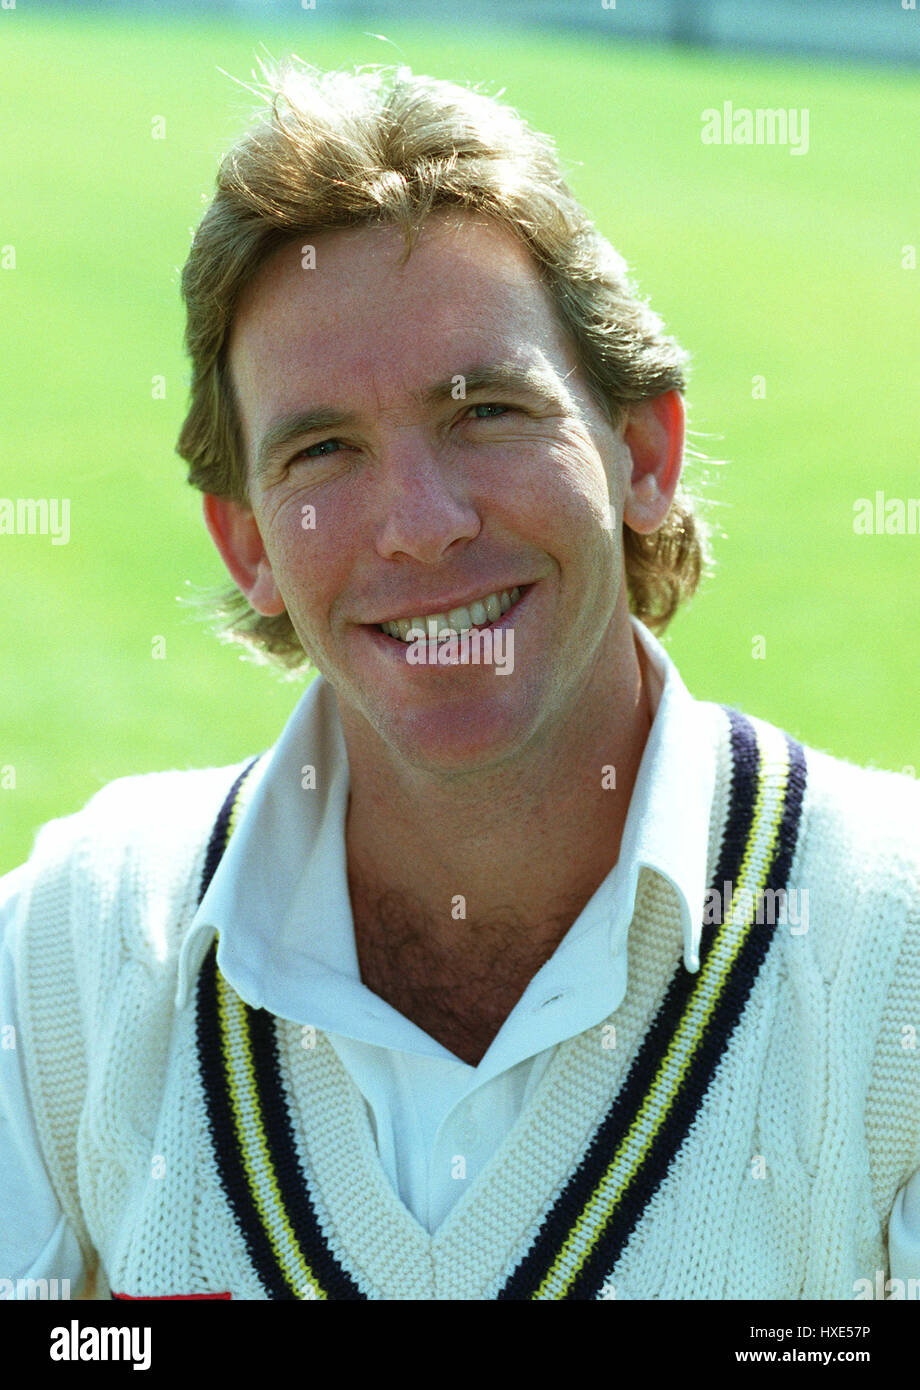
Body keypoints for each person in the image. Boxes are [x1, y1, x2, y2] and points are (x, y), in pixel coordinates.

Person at [2, 61, 918, 1302]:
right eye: (324, 449)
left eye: (485, 410)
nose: (420, 526)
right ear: (249, 543)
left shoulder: (889, 952)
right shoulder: (71, 945)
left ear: (642, 451)